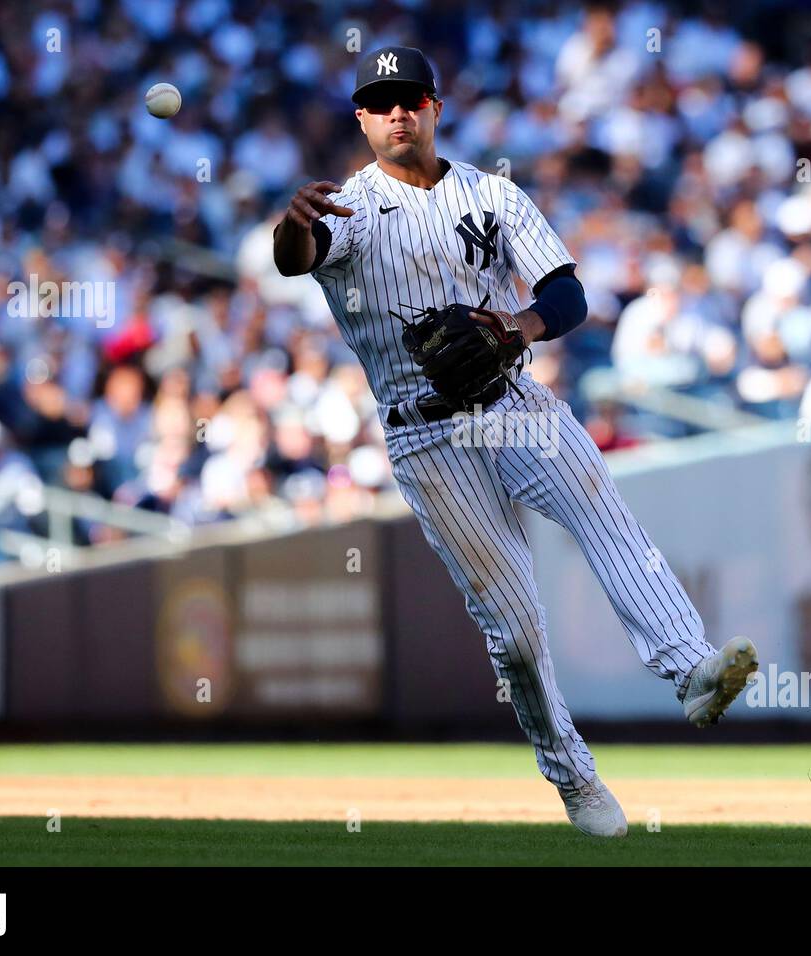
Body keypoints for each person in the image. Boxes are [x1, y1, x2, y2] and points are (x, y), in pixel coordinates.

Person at [272, 46, 758, 838]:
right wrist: (287, 232)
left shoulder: (492, 193)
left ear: (435, 108)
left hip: (514, 400)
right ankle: (572, 775)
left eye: (410, 98)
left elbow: (567, 293)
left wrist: (516, 325)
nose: (397, 112)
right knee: (518, 633)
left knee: (606, 517)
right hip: (428, 437)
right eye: (379, 101)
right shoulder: (345, 211)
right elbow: (299, 259)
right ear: (360, 120)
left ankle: (690, 667)